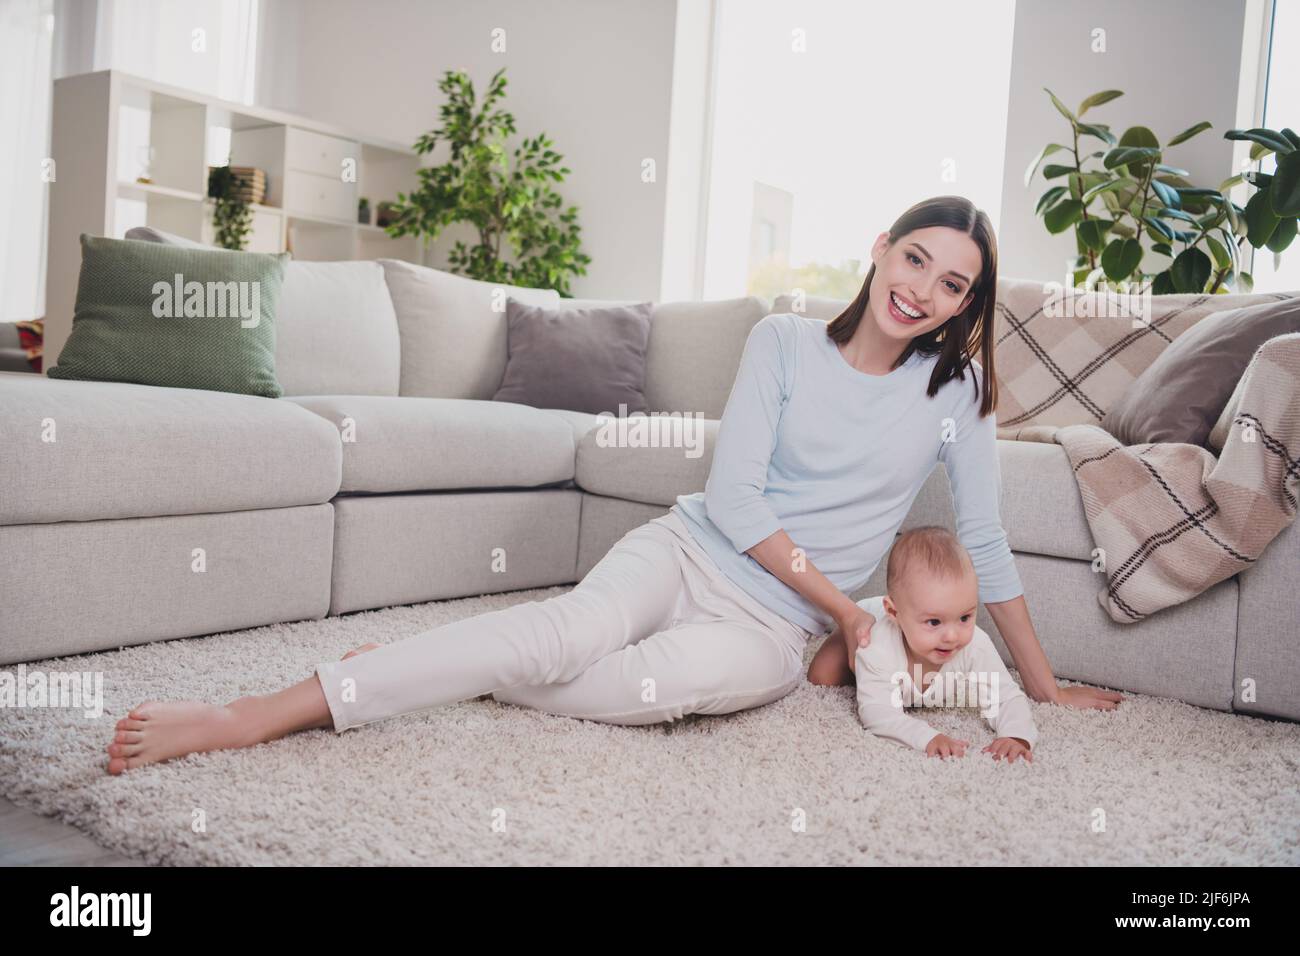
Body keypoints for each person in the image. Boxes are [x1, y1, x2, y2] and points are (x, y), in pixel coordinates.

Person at [105, 194, 1122, 775]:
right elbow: (733, 502)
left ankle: (444, 661)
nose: (924, 289)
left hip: (769, 631)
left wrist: (1039, 685)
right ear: (879, 250)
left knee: (656, 689)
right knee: (561, 632)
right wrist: (846, 617)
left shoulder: (957, 389)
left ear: (966, 303)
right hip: (688, 549)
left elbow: (982, 539)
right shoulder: (778, 341)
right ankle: (251, 713)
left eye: (954, 283)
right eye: (915, 258)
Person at [849, 525, 1037, 762]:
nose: (951, 636)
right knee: (823, 675)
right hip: (863, 620)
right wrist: (926, 736)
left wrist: (1016, 735)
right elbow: (877, 713)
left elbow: (1006, 695)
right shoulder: (877, 646)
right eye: (934, 621)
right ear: (894, 613)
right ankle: (841, 637)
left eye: (964, 617)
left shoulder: (974, 644)